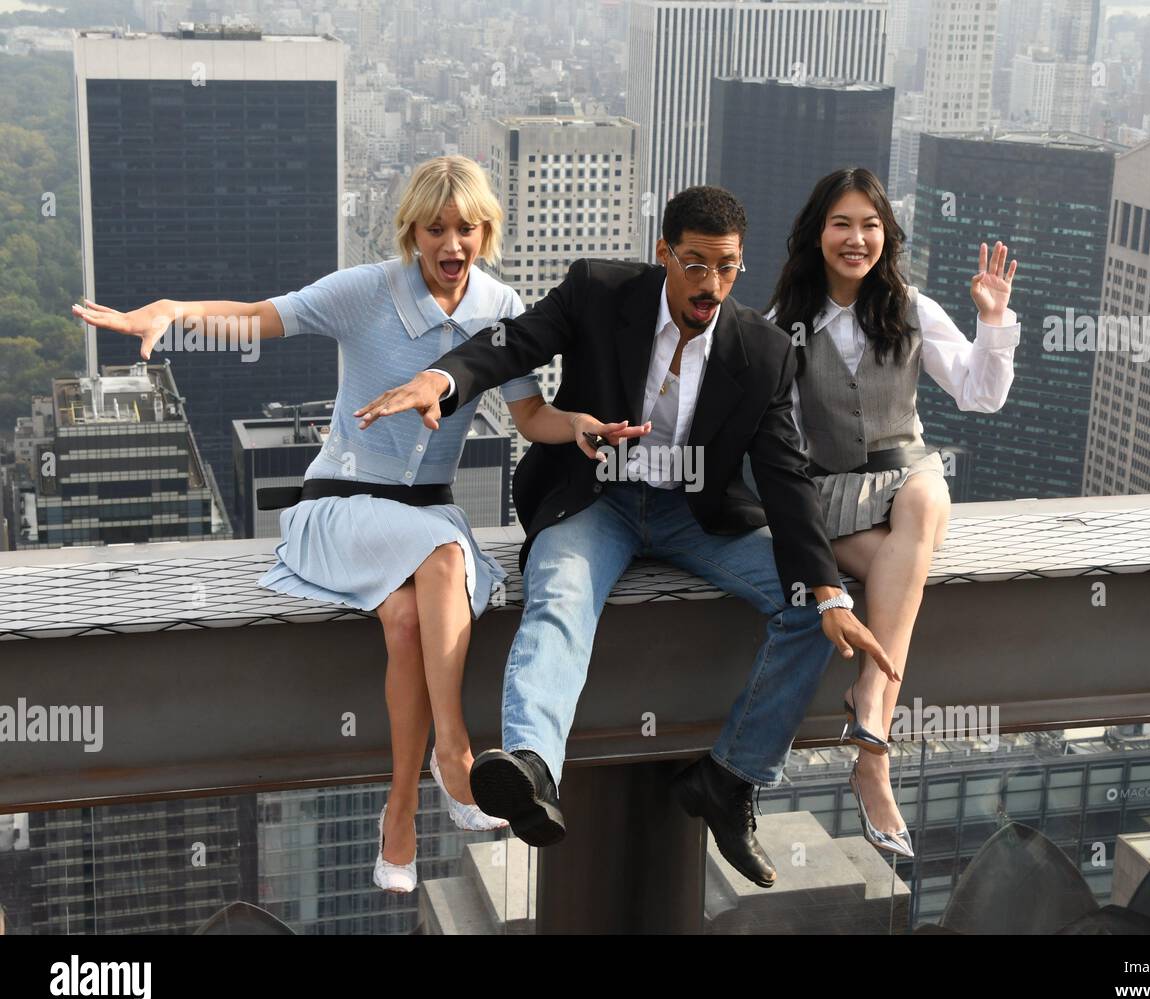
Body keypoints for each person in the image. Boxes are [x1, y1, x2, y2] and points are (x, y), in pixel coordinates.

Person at [352, 185, 900, 888]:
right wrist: (442, 378)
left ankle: (732, 778)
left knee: (810, 609)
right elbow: (513, 343)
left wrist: (827, 589)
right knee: (560, 597)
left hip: (697, 516)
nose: (711, 285)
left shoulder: (762, 351)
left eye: (727, 268)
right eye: (695, 264)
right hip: (598, 497)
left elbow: (785, 475)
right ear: (664, 253)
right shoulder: (599, 290)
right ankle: (532, 768)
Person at [70, 155, 586, 894]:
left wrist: (584, 428)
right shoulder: (367, 290)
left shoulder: (503, 309)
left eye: (466, 228)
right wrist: (174, 312)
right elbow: (260, 317)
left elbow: (531, 416)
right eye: (435, 227)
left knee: (408, 619)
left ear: (487, 232)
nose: (452, 242)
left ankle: (399, 814)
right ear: (412, 231)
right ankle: (457, 757)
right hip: (340, 507)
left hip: (424, 516)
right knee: (443, 553)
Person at [766, 167, 1020, 857]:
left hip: (904, 477)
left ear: (888, 234)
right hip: (829, 498)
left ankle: (873, 720)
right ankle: (870, 733)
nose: (857, 238)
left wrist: (992, 320)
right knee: (905, 568)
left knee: (927, 490)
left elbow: (978, 393)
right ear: (817, 234)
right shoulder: (781, 329)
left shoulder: (911, 307)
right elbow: (781, 451)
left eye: (870, 225)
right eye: (842, 223)